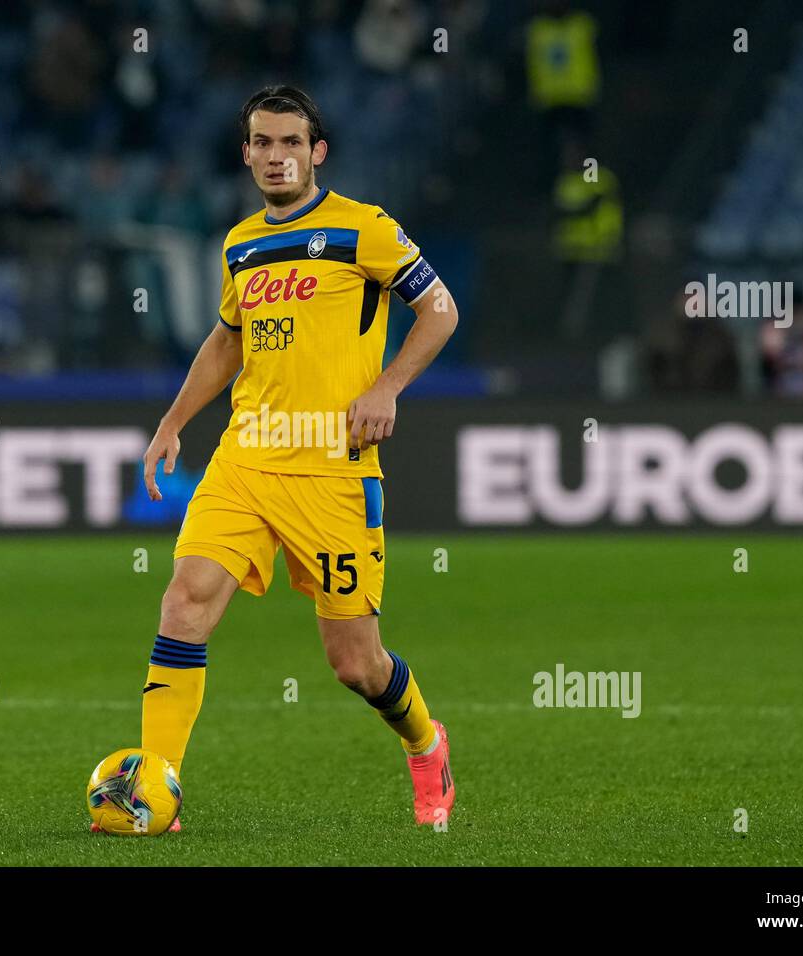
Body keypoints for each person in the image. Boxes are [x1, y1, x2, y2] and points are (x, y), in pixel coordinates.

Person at [105, 86, 460, 832]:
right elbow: (227, 341)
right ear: (246, 154)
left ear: (316, 152)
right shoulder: (239, 243)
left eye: (290, 143)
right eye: (262, 144)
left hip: (334, 470)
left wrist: (389, 387)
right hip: (244, 462)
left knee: (355, 665)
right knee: (185, 598)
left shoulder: (364, 229)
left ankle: (427, 745)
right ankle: (154, 791)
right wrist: (173, 422)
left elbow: (440, 310)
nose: (276, 157)